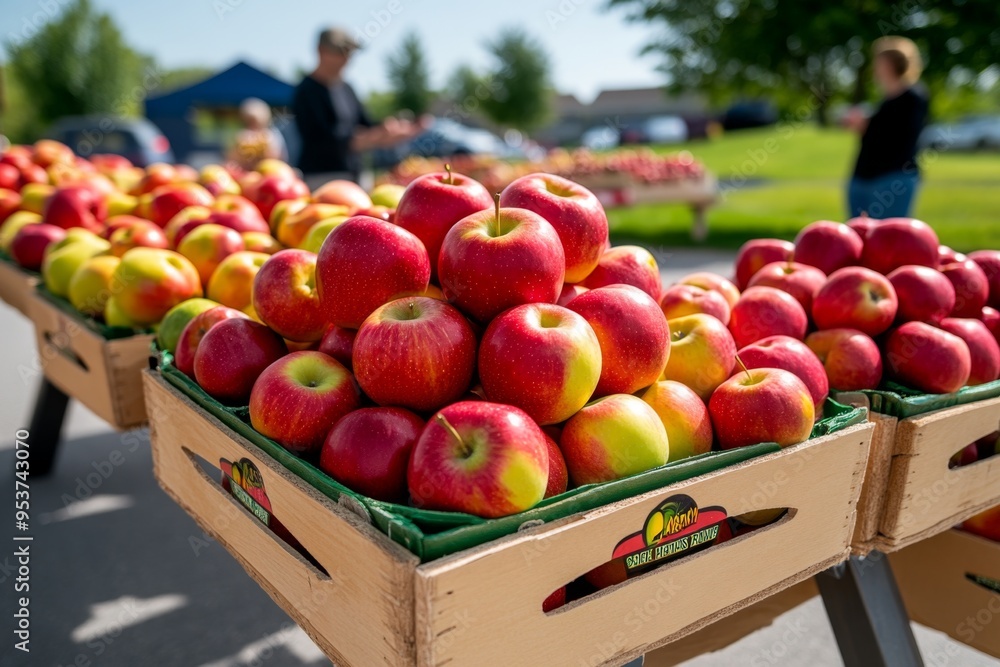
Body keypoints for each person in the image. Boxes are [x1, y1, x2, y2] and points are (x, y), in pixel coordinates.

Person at [293, 27, 426, 189]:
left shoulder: (347, 88)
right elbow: (320, 139)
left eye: (349, 52)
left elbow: (366, 124)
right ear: (321, 50)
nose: (346, 58)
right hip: (322, 177)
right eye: (340, 52)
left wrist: (388, 131)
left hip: (356, 173)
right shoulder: (306, 90)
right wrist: (365, 139)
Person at [845, 36, 929, 219]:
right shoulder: (884, 102)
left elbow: (899, 138)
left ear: (890, 64)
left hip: (893, 178)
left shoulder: (913, 98)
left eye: (878, 62)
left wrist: (867, 125)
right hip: (864, 176)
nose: (874, 68)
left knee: (889, 235)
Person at [228, 98, 288, 170]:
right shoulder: (240, 136)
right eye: (249, 121)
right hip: (246, 173)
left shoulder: (272, 136)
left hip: (269, 171)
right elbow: (231, 159)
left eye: (254, 121)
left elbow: (278, 158)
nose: (252, 125)